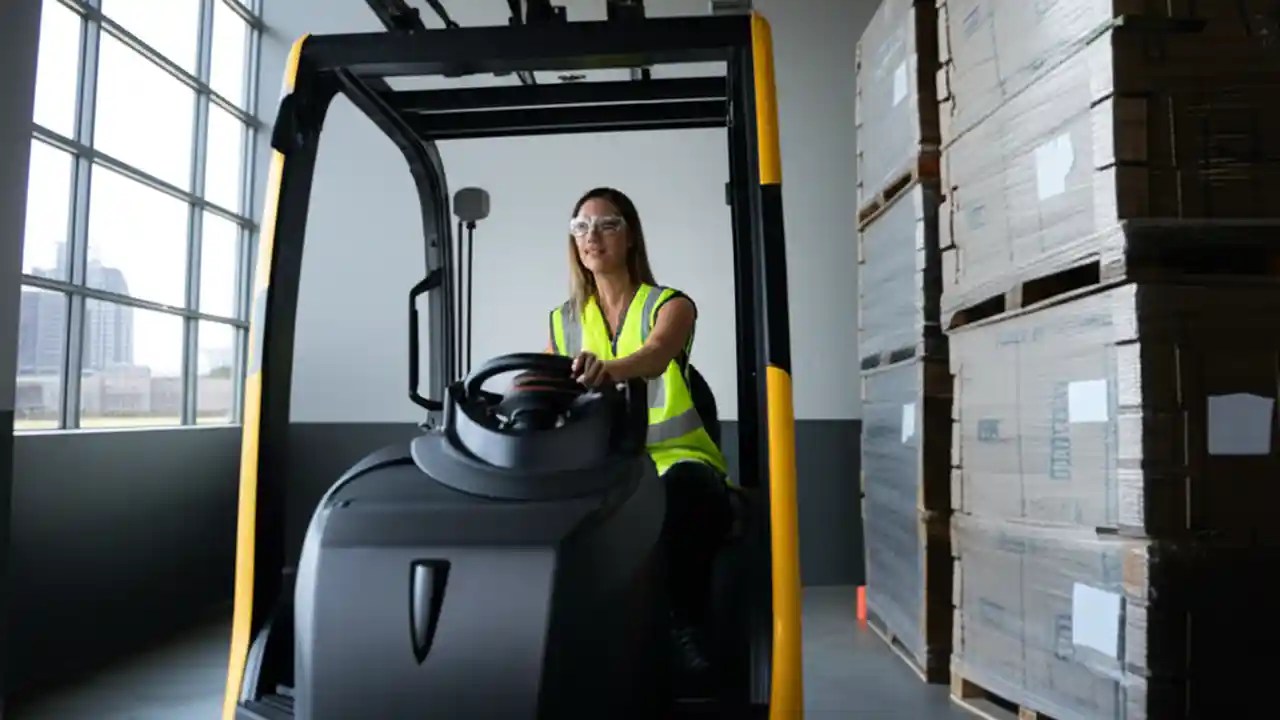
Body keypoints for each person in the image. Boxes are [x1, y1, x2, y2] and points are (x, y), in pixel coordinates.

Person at [543, 186, 736, 692]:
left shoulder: (670, 305)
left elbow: (655, 354)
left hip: (674, 458)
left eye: (606, 224)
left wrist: (608, 369)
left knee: (685, 498)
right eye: (581, 227)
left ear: (629, 237)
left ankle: (682, 629)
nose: (592, 236)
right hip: (597, 461)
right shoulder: (563, 321)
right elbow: (543, 382)